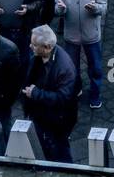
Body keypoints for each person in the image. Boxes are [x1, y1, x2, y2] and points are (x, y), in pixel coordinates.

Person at [54, 0, 106, 110]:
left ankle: (95, 96)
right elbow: (56, 9)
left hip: (92, 36)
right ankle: (76, 89)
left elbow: (104, 7)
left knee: (95, 68)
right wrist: (60, 9)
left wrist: (96, 8)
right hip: (71, 36)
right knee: (71, 68)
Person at [21, 24, 79, 163]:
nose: (30, 46)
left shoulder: (64, 68)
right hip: (42, 114)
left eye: (34, 44)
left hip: (57, 120)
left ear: (47, 47)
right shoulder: (41, 55)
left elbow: (62, 98)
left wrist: (36, 93)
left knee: (60, 149)